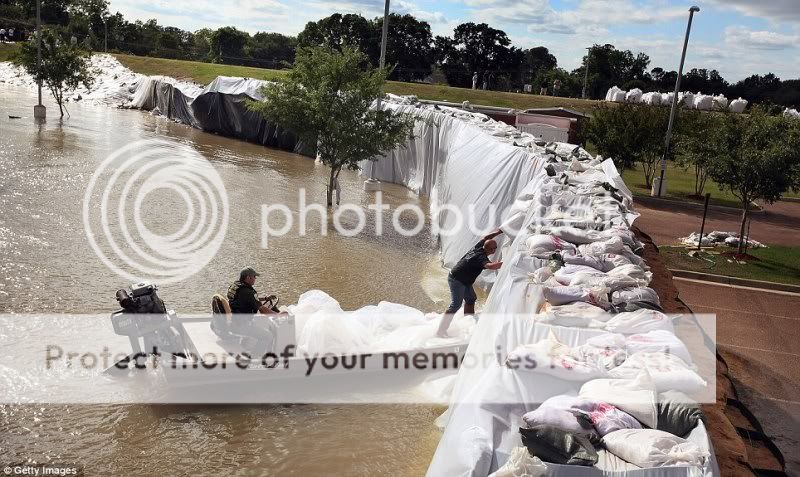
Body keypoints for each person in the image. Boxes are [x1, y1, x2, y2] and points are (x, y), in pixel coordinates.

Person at [437, 230, 504, 337]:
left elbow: (485, 237)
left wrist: (499, 231)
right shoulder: (481, 258)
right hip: (456, 280)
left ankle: (468, 323)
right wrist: (506, 262)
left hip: (465, 281)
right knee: (455, 305)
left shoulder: (478, 247)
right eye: (494, 248)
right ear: (491, 250)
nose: (496, 249)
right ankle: (441, 330)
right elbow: (490, 266)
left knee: (471, 299)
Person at [227, 267, 279, 356]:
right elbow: (262, 310)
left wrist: (266, 298)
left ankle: (247, 350)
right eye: (254, 277)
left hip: (234, 321)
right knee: (268, 336)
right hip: (242, 325)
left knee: (257, 325)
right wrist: (279, 315)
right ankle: (256, 359)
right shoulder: (248, 292)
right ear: (248, 278)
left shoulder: (236, 286)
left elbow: (248, 299)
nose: (255, 279)